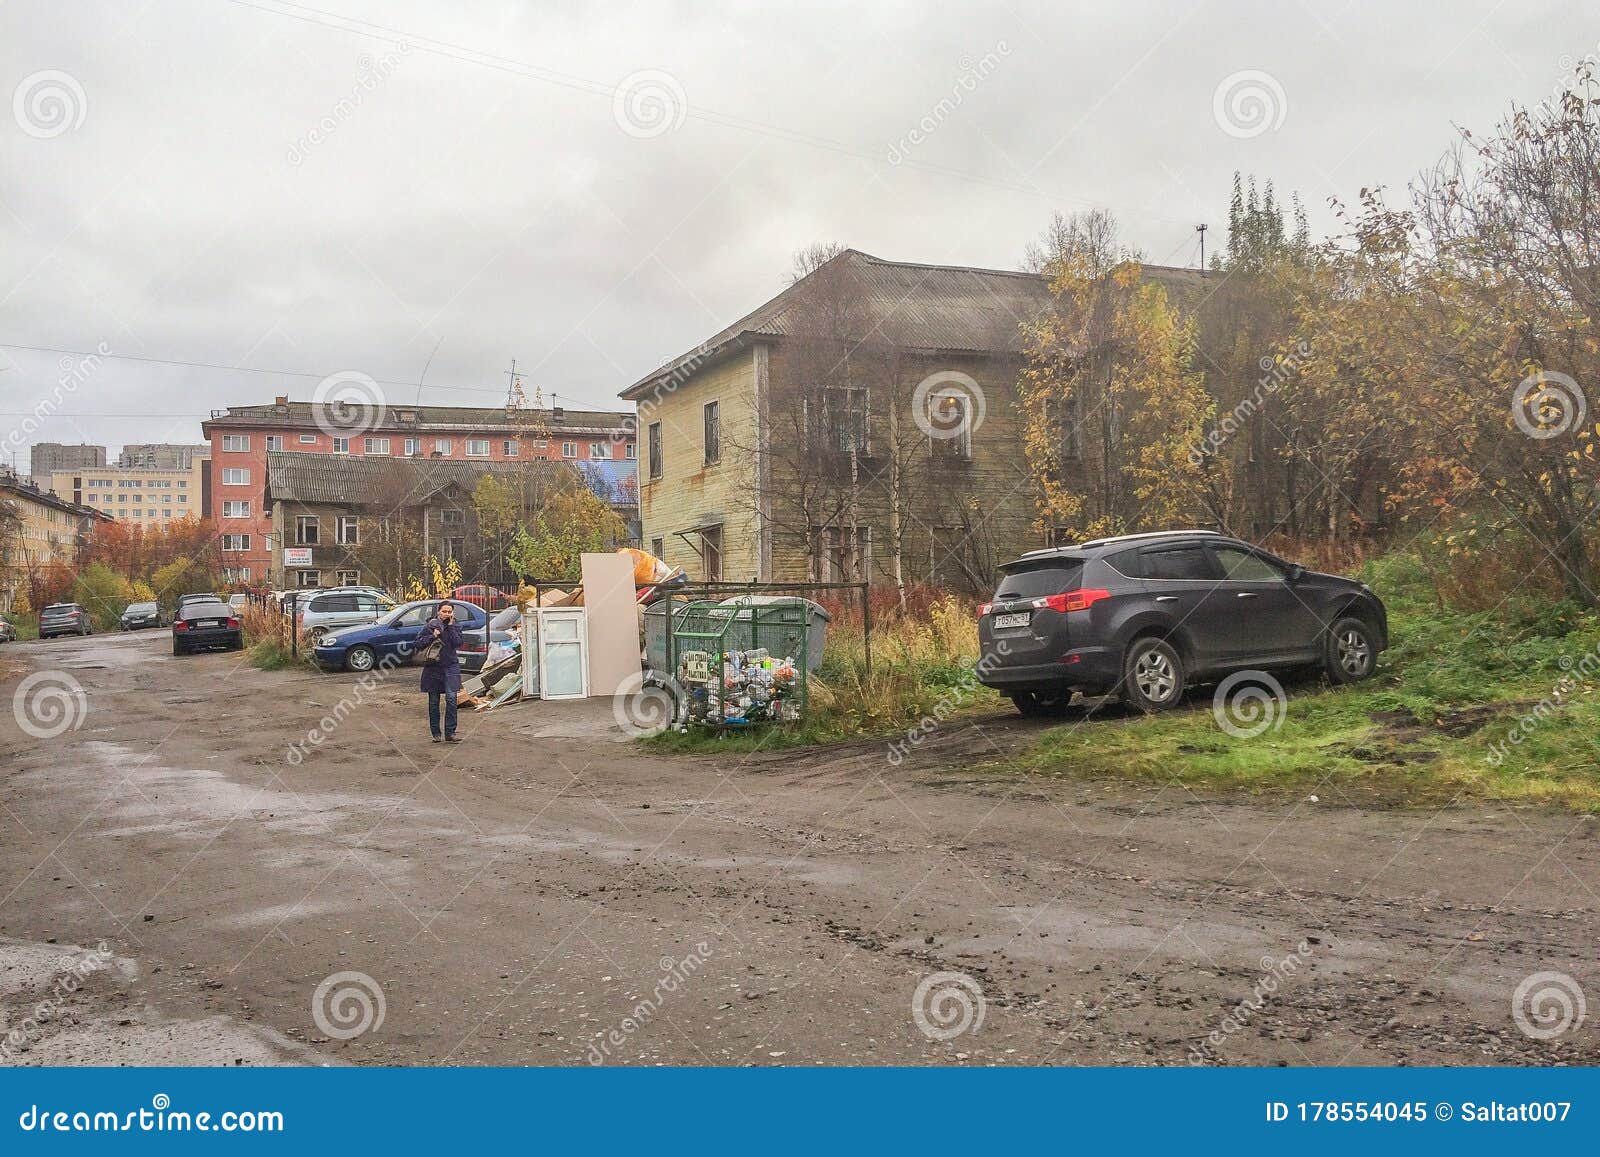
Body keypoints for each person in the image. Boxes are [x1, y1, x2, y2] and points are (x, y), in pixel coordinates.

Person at [416, 600, 465, 742]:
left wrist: (449, 627)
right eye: (444, 611)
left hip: (450, 666)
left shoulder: (455, 626)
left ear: (453, 613)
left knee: (451, 699)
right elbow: (418, 643)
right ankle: (436, 733)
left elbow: (458, 643)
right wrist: (433, 635)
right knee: (433, 702)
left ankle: (450, 732)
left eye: (449, 612)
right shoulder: (430, 626)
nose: (446, 614)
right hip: (433, 668)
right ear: (438, 612)